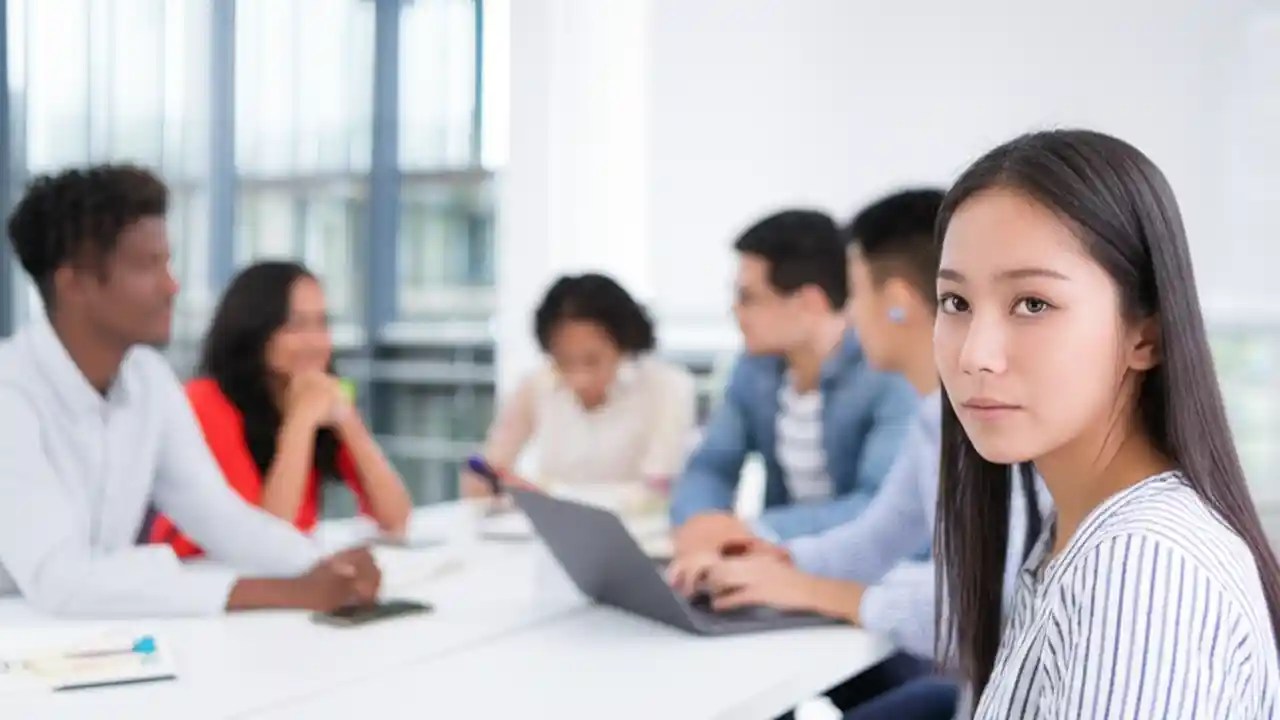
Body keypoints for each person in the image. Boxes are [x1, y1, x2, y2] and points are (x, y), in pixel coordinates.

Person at [933, 130, 1280, 717]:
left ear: (1146, 334)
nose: (974, 354)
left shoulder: (1142, 567)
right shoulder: (1072, 535)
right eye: (955, 303)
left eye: (1032, 304)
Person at [670, 190, 1046, 719]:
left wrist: (822, 591)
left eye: (852, 292)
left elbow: (989, 607)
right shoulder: (931, 418)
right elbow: (876, 538)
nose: (844, 314)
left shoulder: (1002, 427)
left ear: (895, 301)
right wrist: (774, 562)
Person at [0, 165, 380, 616]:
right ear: (75, 284)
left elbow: (220, 516)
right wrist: (289, 593)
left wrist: (323, 567)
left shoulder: (148, 379)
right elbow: (61, 581)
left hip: (96, 648)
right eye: (148, 266)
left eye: (168, 262)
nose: (171, 286)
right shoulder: (11, 390)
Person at [670, 210, 916, 553]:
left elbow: (880, 508)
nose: (735, 312)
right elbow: (711, 465)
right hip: (777, 562)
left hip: (861, 571)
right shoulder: (754, 367)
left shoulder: (888, 371)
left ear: (808, 302)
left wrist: (754, 530)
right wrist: (700, 523)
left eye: (748, 298)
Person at [148, 261, 413, 557]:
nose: (315, 342)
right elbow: (267, 540)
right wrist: (300, 421)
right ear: (255, 331)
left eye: (322, 323)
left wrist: (347, 420)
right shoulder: (205, 402)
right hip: (200, 579)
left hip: (274, 588)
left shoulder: (311, 396)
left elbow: (396, 518)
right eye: (296, 325)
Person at [466, 273, 695, 498]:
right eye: (563, 361)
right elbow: (491, 467)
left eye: (592, 360)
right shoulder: (537, 385)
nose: (579, 379)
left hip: (637, 531)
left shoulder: (667, 388)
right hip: (553, 529)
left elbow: (658, 491)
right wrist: (488, 483)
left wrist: (551, 494)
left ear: (624, 344)